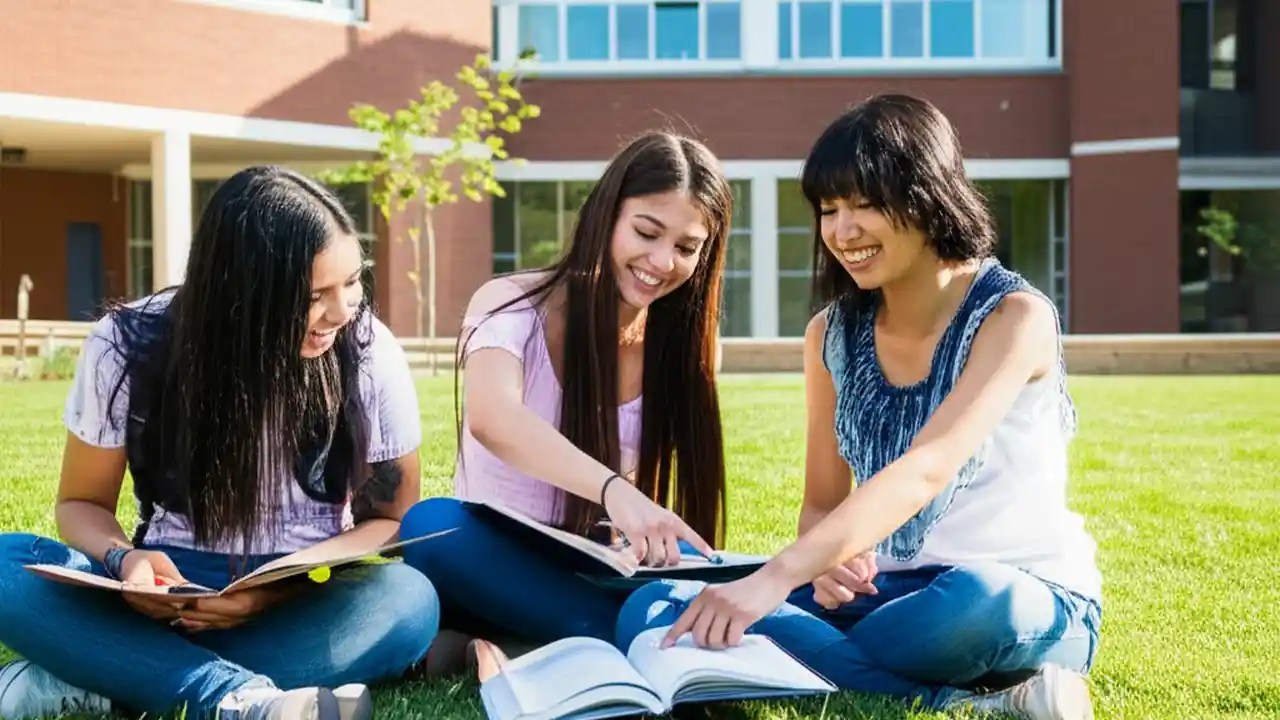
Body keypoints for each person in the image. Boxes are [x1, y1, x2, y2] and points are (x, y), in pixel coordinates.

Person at [616, 95, 1104, 720]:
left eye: (866, 204)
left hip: (1018, 596)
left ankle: (789, 658)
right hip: (883, 596)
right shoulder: (830, 334)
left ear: (929, 197)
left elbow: (929, 468)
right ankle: (971, 703)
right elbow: (822, 501)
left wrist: (773, 584)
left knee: (975, 600)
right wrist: (824, 568)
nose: (843, 231)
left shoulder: (1013, 317)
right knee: (654, 604)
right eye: (829, 209)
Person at [0, 166, 439, 720]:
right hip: (160, 590)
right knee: (5, 565)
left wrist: (275, 592)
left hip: (302, 592)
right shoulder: (128, 344)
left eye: (352, 281)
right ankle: (238, 698)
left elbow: (394, 521)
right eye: (315, 294)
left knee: (409, 600)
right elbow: (80, 504)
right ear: (243, 288)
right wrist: (124, 558)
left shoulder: (369, 350)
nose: (343, 310)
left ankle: (111, 678)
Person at [399, 131, 731, 661]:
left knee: (728, 576)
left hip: (596, 566)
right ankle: (640, 637)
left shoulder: (685, 348)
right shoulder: (510, 304)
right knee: (430, 527)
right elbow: (493, 417)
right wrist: (614, 492)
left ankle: (527, 642)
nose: (662, 261)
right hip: (492, 556)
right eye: (647, 232)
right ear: (607, 215)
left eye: (687, 248)